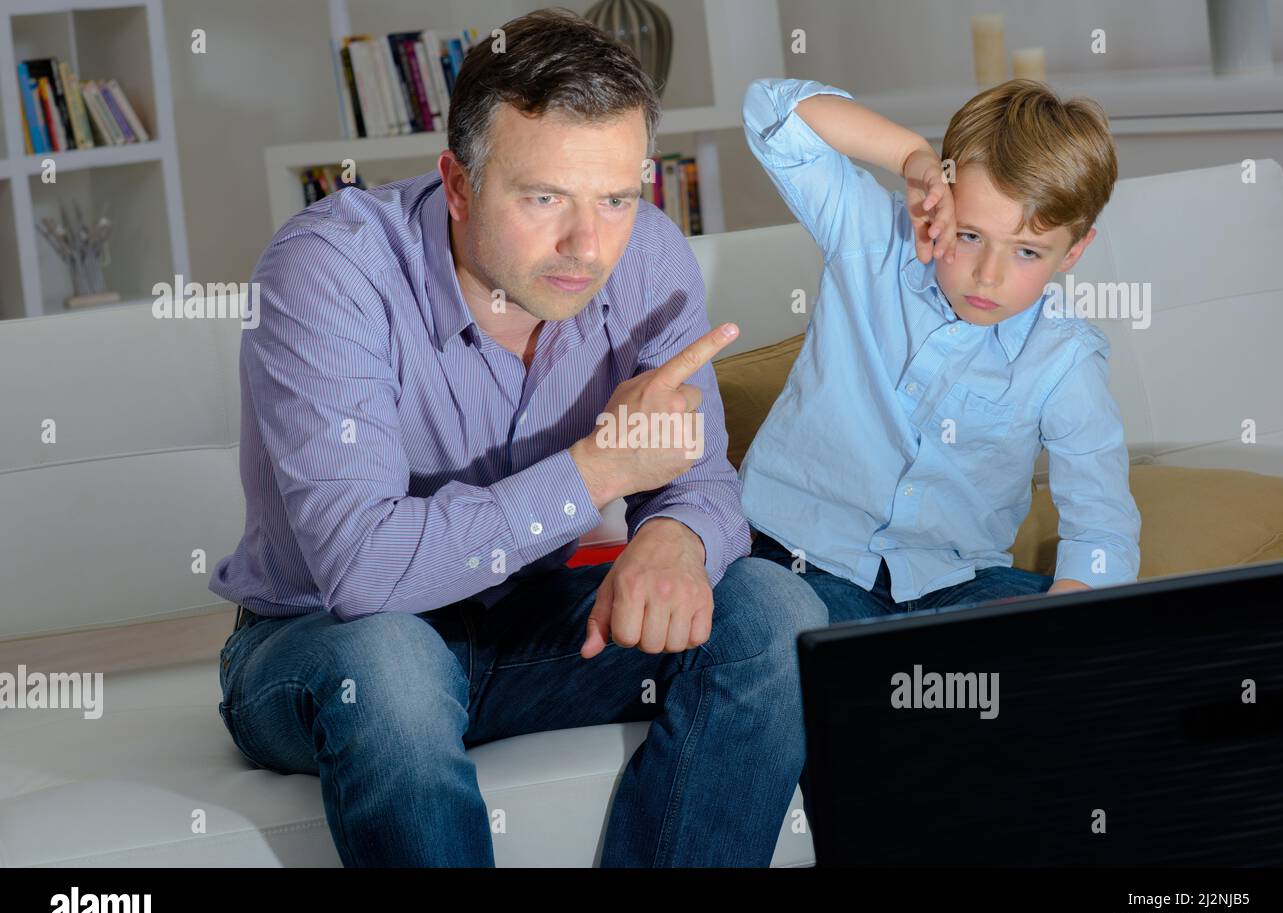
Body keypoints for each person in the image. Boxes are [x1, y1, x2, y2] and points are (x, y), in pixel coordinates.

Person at [209, 9, 826, 867]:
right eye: (544, 198)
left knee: (777, 610)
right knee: (393, 666)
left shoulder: (645, 257)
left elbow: (699, 475)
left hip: (529, 627)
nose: (588, 244)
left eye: (616, 198)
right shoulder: (328, 272)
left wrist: (676, 537)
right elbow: (363, 570)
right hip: (324, 641)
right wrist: (598, 468)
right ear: (459, 185)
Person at [741, 76, 1141, 623]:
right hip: (800, 558)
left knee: (1063, 640)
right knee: (791, 628)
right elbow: (769, 109)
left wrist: (1063, 628)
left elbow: (1101, 526)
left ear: (1074, 251)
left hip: (953, 580)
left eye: (1027, 251)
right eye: (970, 235)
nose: (989, 276)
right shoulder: (871, 238)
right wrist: (911, 154)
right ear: (942, 198)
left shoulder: (1065, 359)